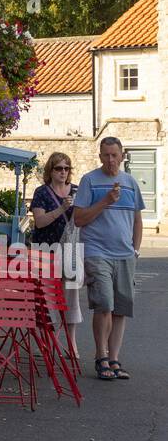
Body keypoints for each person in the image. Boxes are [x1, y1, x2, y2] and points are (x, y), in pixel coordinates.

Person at [73, 137, 143, 382]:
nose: (110, 160)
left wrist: (135, 250)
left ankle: (114, 359)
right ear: (100, 156)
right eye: (106, 155)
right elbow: (79, 219)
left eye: (114, 155)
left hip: (125, 255)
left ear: (122, 156)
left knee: (120, 310)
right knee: (104, 304)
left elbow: (136, 220)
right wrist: (104, 202)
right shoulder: (89, 181)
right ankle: (101, 357)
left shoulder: (131, 184)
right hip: (97, 252)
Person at [30, 152, 81, 357]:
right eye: (58, 168)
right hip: (45, 250)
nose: (63, 172)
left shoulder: (77, 190)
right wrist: (62, 208)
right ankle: (50, 342)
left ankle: (72, 343)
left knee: (71, 298)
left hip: (71, 250)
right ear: (50, 171)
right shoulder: (42, 192)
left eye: (66, 168)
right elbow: (40, 222)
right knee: (48, 298)